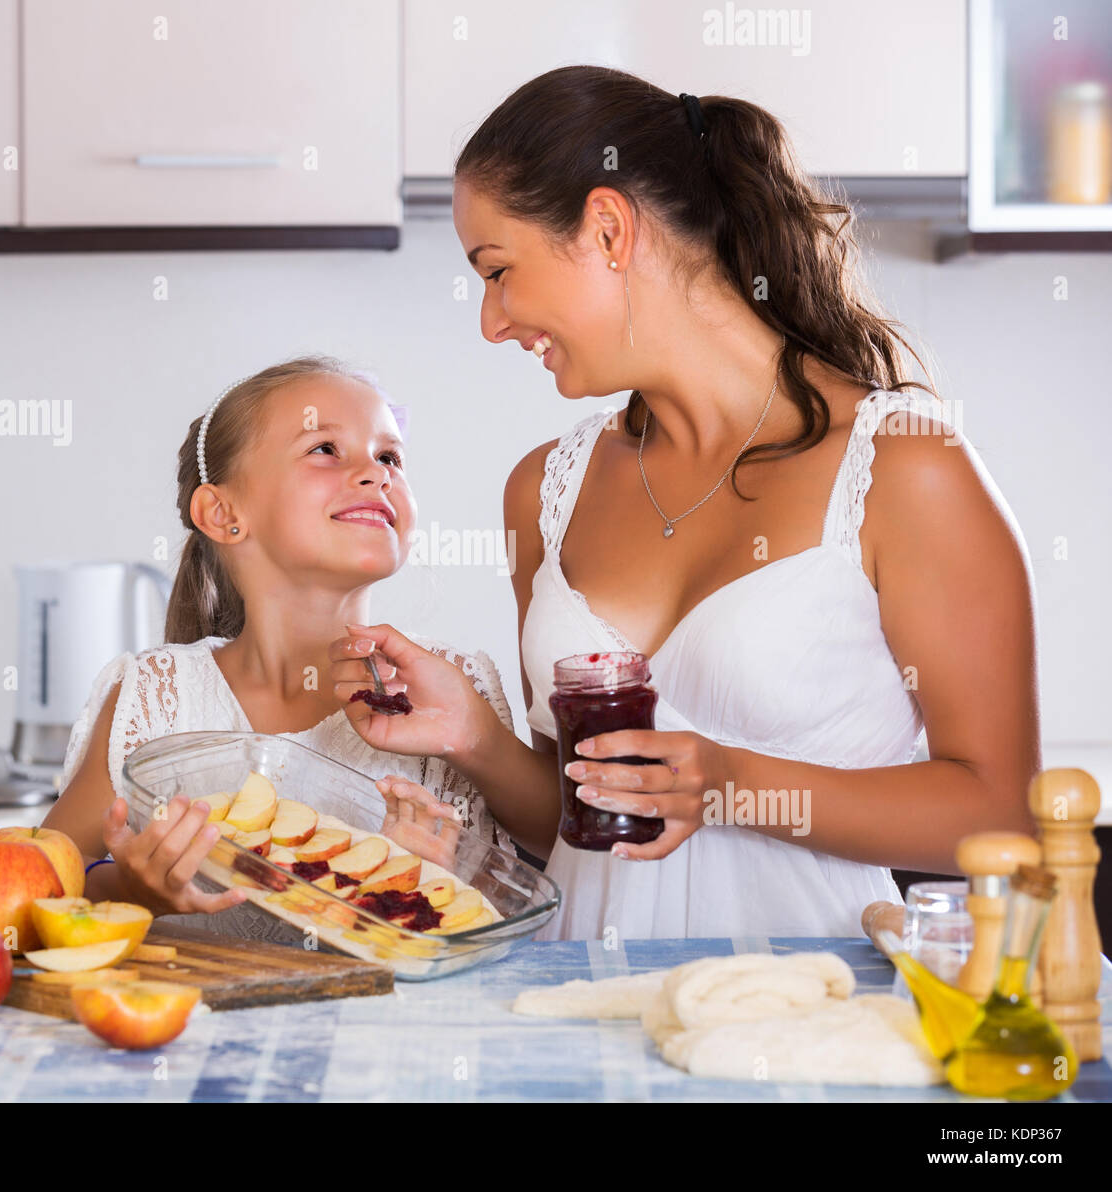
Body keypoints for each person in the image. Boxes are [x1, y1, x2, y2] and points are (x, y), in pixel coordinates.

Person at [329, 67, 1039, 940]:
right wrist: (474, 737)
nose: (492, 322)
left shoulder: (901, 467)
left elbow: (1002, 817)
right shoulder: (546, 491)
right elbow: (582, 823)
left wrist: (730, 783)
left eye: (499, 270)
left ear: (607, 228)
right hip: (575, 1018)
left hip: (810, 1025)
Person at [44, 356, 517, 941]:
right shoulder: (151, 700)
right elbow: (34, 888)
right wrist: (131, 891)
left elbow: (539, 896)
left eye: (390, 456)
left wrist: (426, 890)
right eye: (324, 449)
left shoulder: (454, 687)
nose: (377, 474)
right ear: (223, 513)